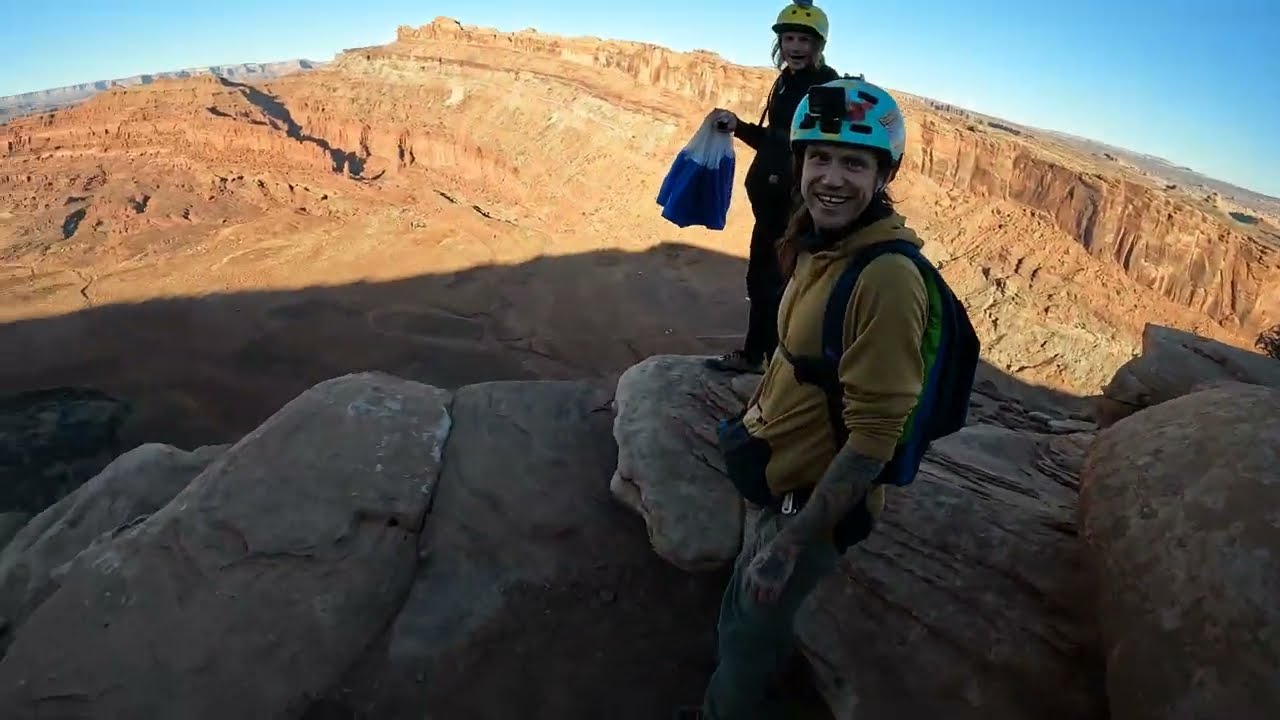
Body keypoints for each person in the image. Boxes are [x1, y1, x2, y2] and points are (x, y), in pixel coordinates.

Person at [677, 75, 977, 720]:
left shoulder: (887, 278)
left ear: (882, 174)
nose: (831, 178)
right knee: (745, 618)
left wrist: (788, 547)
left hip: (809, 506)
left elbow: (873, 439)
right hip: (783, 479)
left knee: (747, 636)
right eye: (819, 157)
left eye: (853, 162)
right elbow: (801, 361)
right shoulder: (822, 245)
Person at [704, 1, 840, 375]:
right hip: (769, 206)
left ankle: (775, 365)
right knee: (759, 281)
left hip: (794, 208)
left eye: (804, 40)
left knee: (780, 287)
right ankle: (757, 356)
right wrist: (739, 126)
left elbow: (823, 148)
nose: (795, 46)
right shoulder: (785, 82)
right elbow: (775, 140)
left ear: (818, 45)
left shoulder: (824, 85)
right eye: (789, 38)